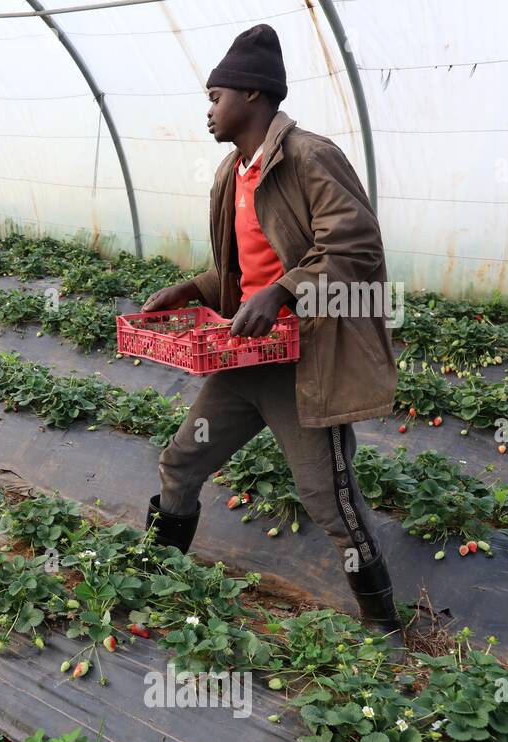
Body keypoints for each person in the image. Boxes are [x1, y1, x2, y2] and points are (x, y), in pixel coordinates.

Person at [139, 24, 402, 635]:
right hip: (243, 360)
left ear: (252, 95)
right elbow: (246, 267)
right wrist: (195, 289)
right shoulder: (233, 173)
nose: (208, 111)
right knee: (181, 461)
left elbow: (355, 246)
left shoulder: (310, 157)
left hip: (301, 364)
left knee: (329, 501)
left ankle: (385, 625)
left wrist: (284, 292)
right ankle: (152, 572)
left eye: (215, 97)